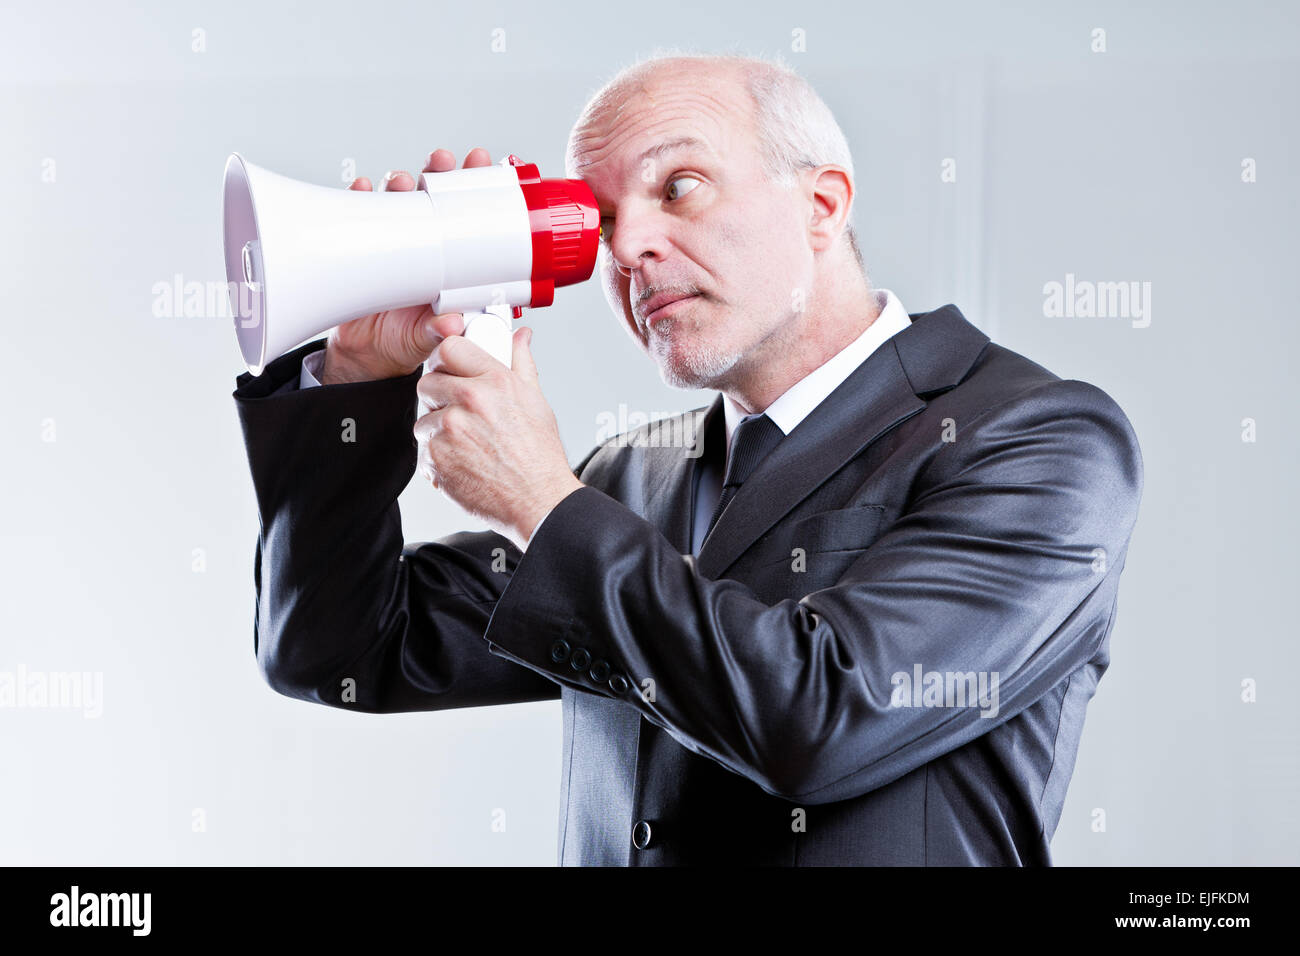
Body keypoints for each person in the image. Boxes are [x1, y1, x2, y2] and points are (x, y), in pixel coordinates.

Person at [233, 52, 1143, 865]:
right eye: (602, 216)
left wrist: (545, 505)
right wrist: (355, 379)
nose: (627, 248)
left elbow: (821, 722)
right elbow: (345, 648)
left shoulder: (1039, 439)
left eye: (679, 187)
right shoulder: (633, 474)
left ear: (822, 206)